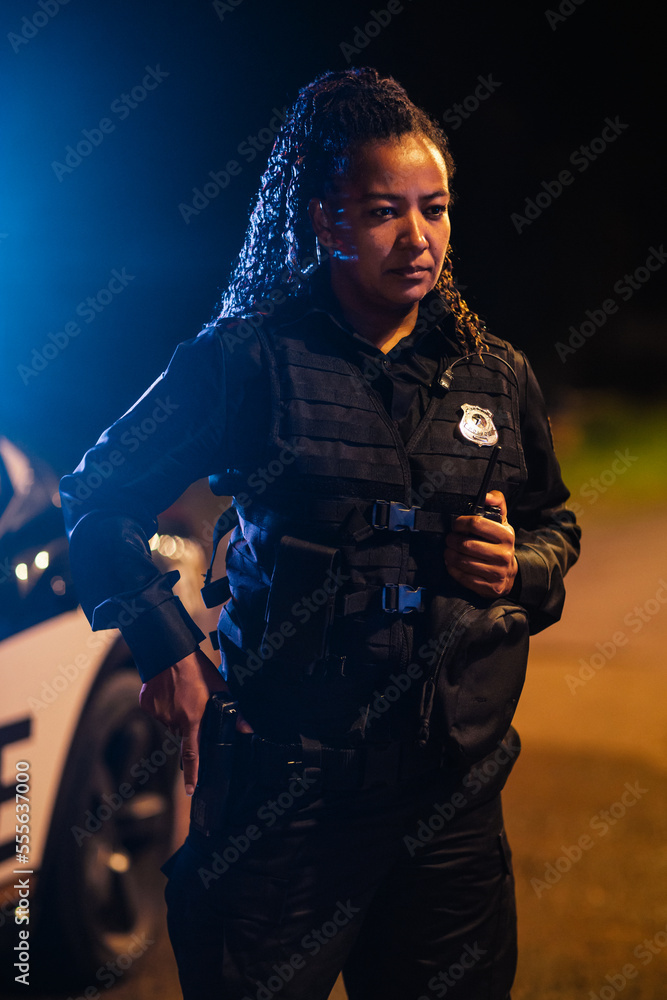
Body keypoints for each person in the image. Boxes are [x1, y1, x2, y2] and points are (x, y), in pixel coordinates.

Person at [60, 67, 580, 1000]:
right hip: (284, 805)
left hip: (449, 811)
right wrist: (166, 648)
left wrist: (520, 566)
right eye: (386, 211)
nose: (418, 238)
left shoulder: (492, 374)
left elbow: (553, 523)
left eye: (436, 208)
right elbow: (96, 496)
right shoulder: (245, 359)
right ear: (324, 220)